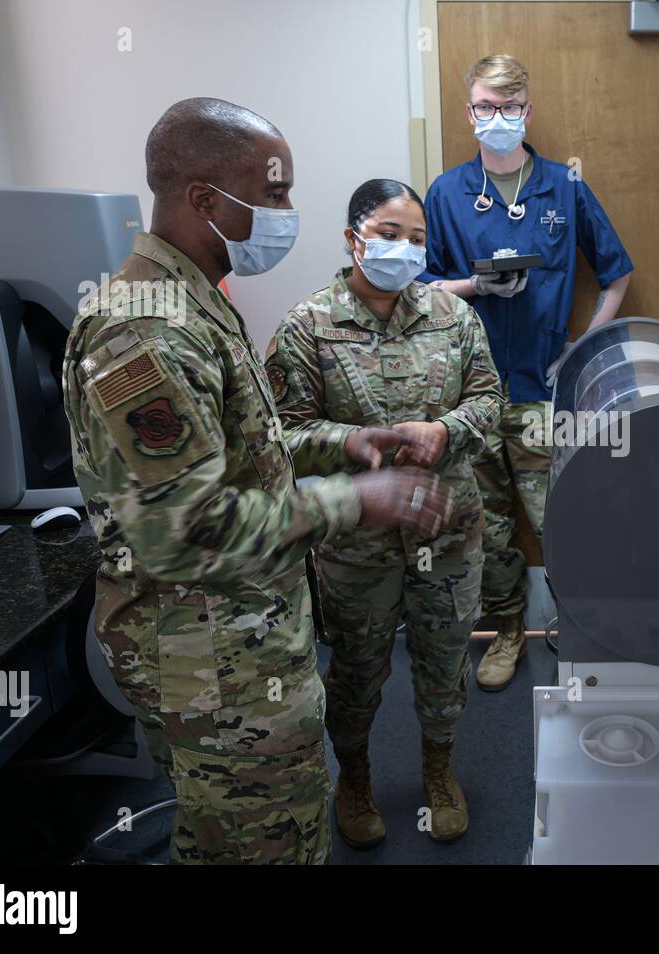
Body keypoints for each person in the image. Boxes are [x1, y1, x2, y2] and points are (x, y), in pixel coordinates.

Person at [62, 98, 451, 864]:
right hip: (208, 666)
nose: (288, 213)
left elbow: (245, 452)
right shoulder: (148, 331)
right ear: (204, 199)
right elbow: (186, 528)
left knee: (260, 834)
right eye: (273, 194)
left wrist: (345, 446)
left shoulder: (196, 301)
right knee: (261, 845)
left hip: (246, 641)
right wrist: (357, 500)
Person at [265, 179, 502, 845]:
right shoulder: (307, 326)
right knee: (356, 674)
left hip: (446, 531)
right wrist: (344, 441)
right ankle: (357, 779)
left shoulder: (454, 319)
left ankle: (438, 770)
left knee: (444, 662)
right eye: (390, 234)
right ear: (354, 239)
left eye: (418, 239)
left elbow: (490, 403)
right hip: (355, 546)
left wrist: (447, 431)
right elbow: (278, 437)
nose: (404, 249)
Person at [421, 53, 634, 690]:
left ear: (527, 112)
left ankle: (583, 625)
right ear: (469, 112)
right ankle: (507, 632)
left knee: (563, 521)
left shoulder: (564, 186)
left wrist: (583, 348)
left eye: (509, 108)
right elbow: (422, 289)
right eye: (486, 108)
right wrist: (476, 287)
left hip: (545, 390)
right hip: (474, 393)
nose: (497, 119)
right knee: (486, 527)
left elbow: (618, 274)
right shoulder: (446, 192)